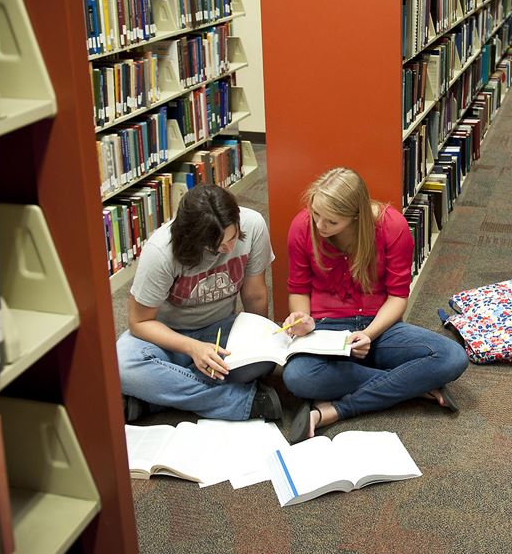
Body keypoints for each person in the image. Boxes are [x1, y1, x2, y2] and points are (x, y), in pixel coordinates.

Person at [280, 167, 468, 442]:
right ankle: (410, 384)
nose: (319, 226)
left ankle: (337, 410)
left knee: (452, 357)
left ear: (356, 216)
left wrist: (369, 334)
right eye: (316, 214)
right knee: (298, 377)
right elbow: (298, 288)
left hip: (379, 326)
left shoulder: (392, 226)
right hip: (327, 330)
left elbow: (397, 297)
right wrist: (302, 320)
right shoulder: (303, 225)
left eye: (331, 221)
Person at [116, 184, 283, 422]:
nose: (229, 248)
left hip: (222, 330)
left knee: (262, 361)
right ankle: (241, 401)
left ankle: (154, 399)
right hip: (168, 339)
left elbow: (255, 293)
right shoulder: (160, 251)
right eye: (216, 247)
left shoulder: (253, 224)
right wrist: (192, 348)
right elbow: (139, 322)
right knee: (122, 365)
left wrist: (262, 341)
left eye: (233, 237)